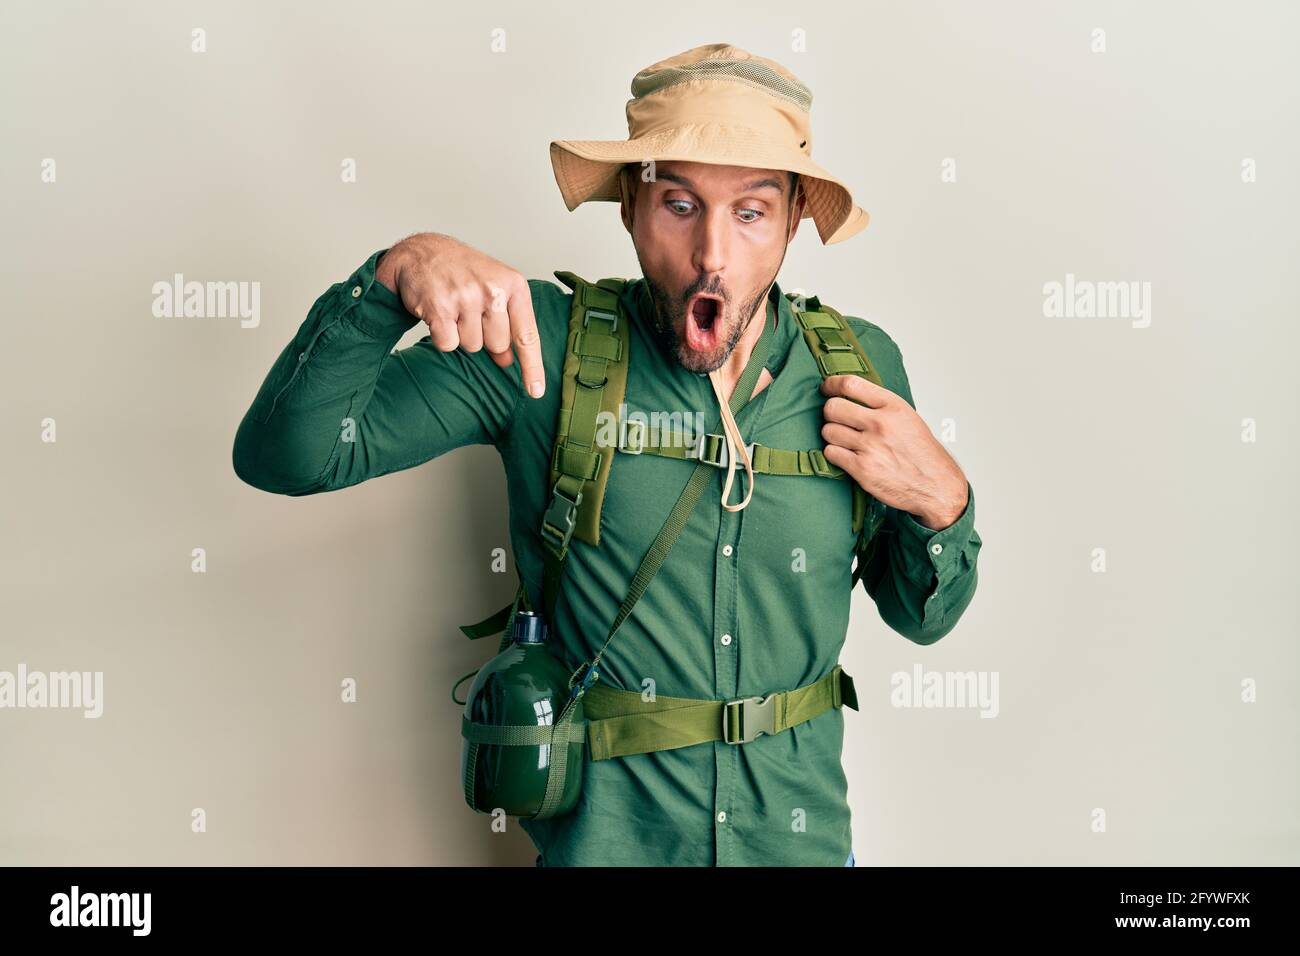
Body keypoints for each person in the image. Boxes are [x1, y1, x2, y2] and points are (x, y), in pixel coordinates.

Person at [232, 42, 982, 866]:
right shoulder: (538, 347)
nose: (713, 257)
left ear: (796, 218)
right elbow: (288, 458)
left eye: (751, 212)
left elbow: (923, 618)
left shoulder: (858, 365)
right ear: (629, 204)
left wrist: (946, 503)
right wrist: (388, 280)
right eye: (680, 204)